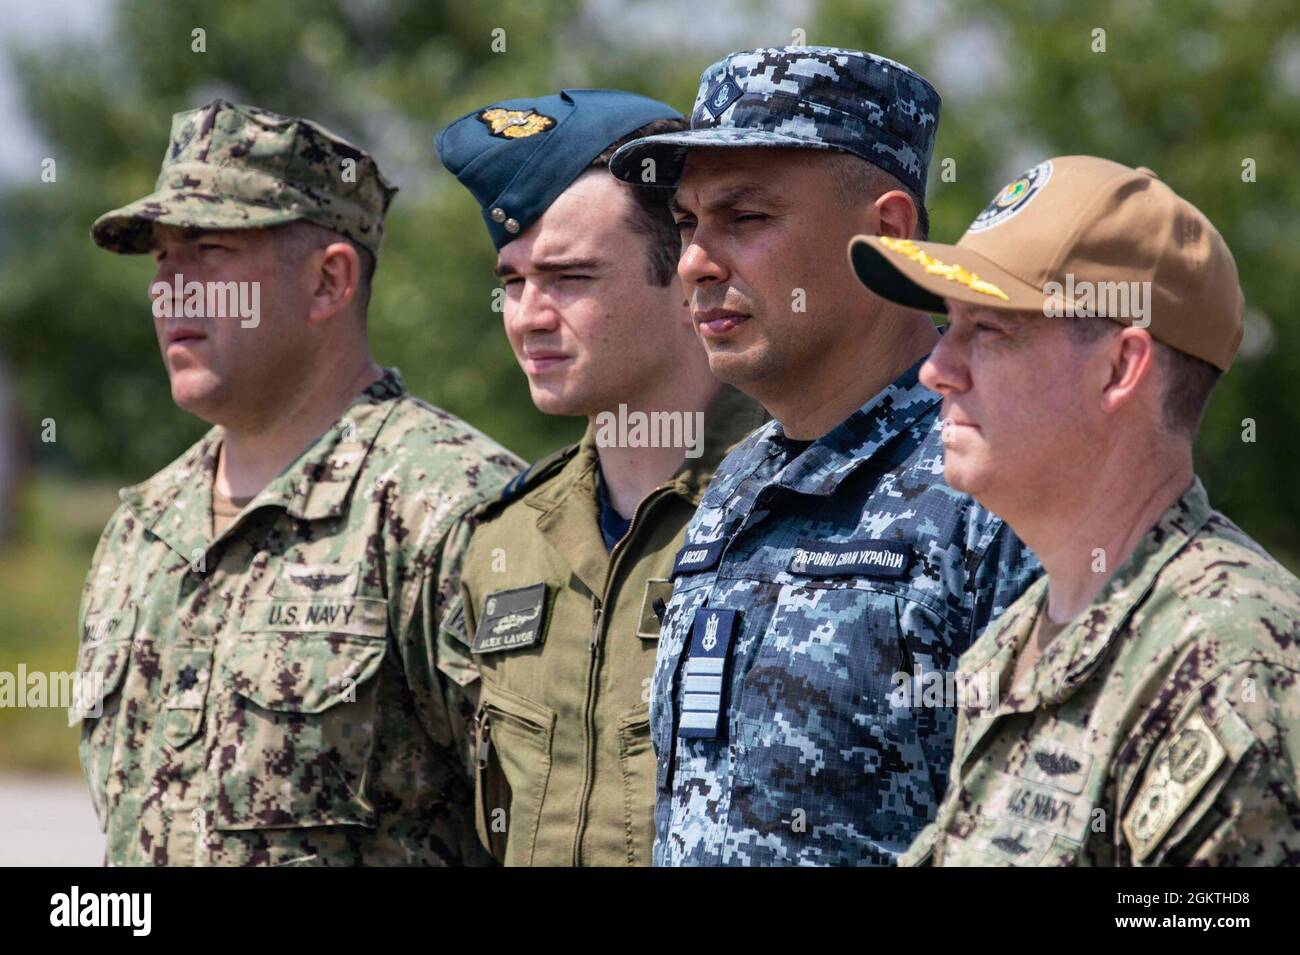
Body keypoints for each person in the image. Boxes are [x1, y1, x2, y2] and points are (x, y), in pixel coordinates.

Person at [606, 47, 1040, 866]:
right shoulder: (737, 482)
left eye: (747, 219)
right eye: (689, 223)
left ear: (886, 233)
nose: (696, 261)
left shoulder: (993, 483)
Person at [73, 99, 522, 866]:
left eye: (209, 249)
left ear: (328, 283)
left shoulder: (455, 509)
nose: (171, 286)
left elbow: (550, 825)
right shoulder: (141, 530)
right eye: (160, 258)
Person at [850, 154, 1300, 865]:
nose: (937, 368)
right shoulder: (1014, 643)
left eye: (989, 330)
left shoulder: (1228, 660)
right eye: (949, 324)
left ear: (1120, 369)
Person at [436, 90, 766, 865]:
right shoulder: (504, 542)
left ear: (687, 276)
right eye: (514, 282)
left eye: (571, 278)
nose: (528, 316)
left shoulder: (799, 510)